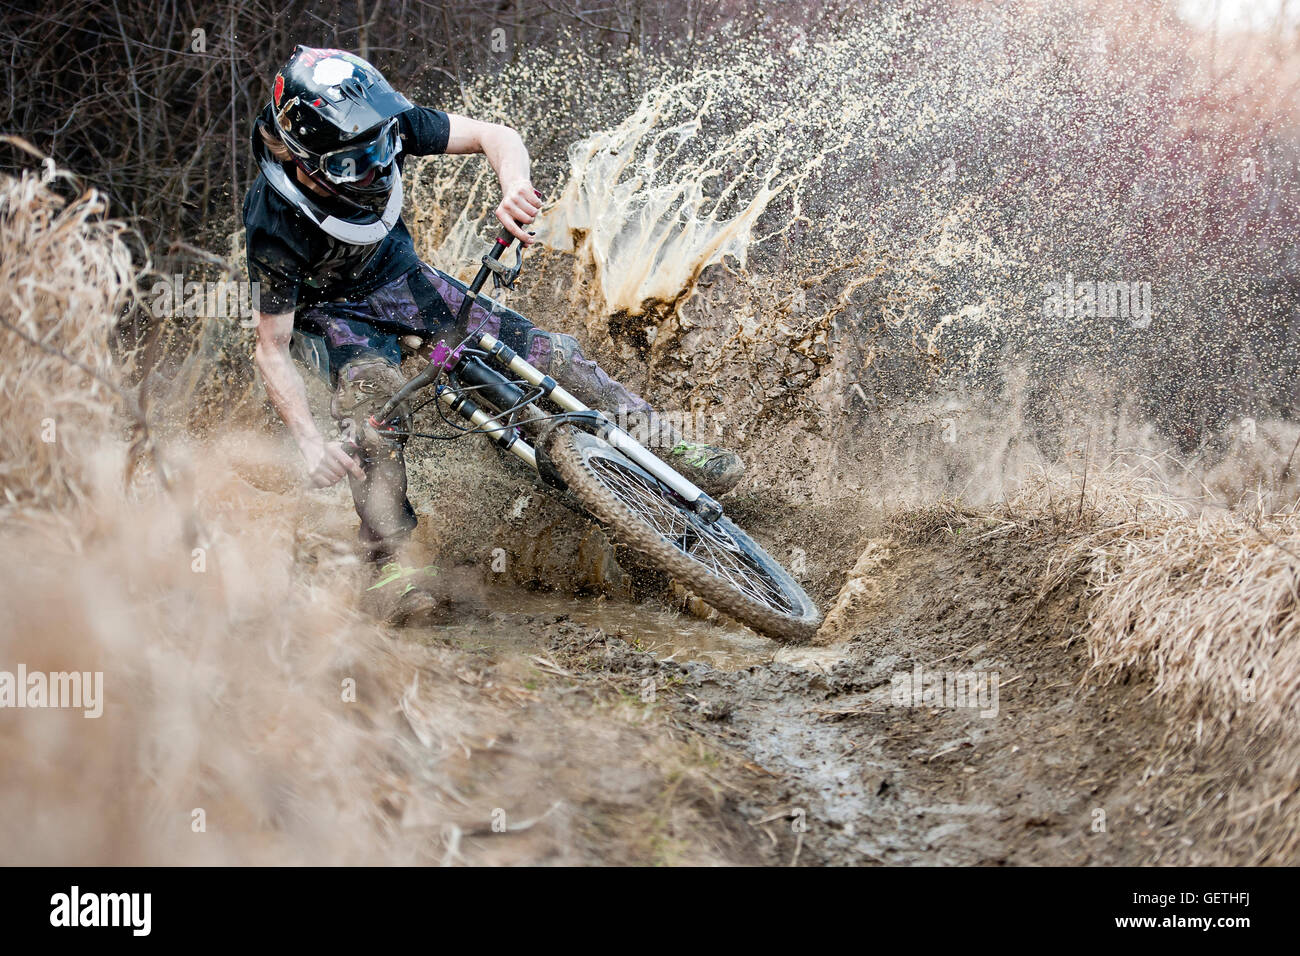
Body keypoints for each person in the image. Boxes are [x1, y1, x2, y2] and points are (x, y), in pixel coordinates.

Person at [245, 45, 743, 622]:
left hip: (403, 279)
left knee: (550, 352)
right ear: (309, 159)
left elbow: (494, 135)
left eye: (380, 150)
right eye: (353, 164)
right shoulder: (273, 224)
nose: (377, 168)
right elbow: (271, 349)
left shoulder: (382, 121)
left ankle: (660, 437)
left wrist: (515, 187)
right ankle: (392, 558)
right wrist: (309, 442)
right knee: (372, 405)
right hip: (333, 313)